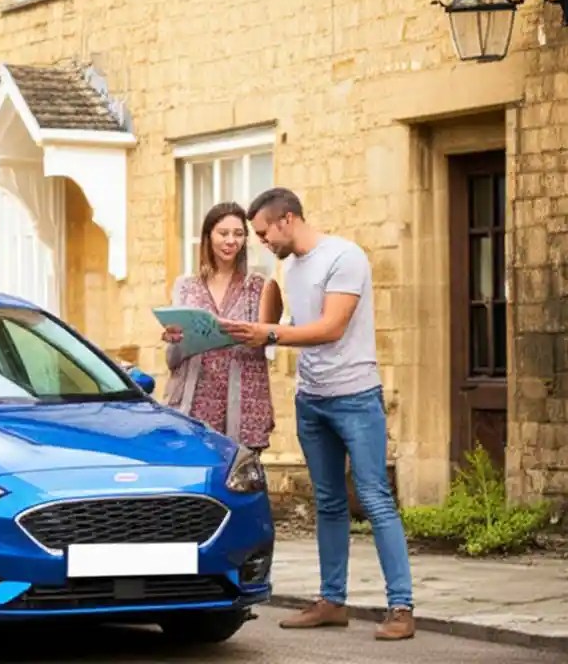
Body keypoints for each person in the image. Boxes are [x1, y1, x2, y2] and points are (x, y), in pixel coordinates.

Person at [217, 187, 415, 641]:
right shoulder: (289, 267)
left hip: (356, 397)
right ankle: (332, 601)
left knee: (375, 498)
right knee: (327, 502)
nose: (262, 241)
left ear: (287, 219)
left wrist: (269, 334)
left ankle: (401, 607)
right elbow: (277, 316)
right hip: (312, 399)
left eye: (265, 233)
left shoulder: (345, 257)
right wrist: (261, 320)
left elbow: (331, 328)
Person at [161, 202, 282, 453]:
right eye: (223, 233)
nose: (231, 241)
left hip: (243, 403)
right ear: (208, 236)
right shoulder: (185, 286)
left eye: (238, 234)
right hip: (194, 400)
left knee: (240, 482)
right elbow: (173, 358)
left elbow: (268, 342)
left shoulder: (259, 286)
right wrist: (173, 337)